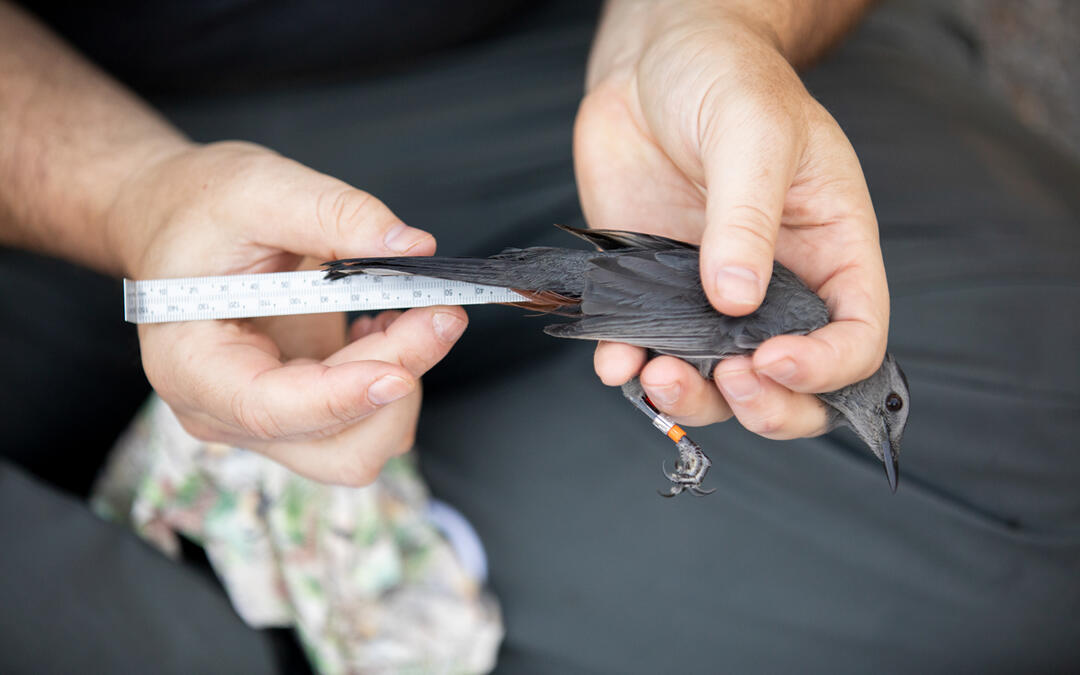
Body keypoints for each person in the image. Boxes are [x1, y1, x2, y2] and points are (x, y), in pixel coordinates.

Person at [1, 0, 1078, 672]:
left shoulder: (812, 326)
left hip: (571, 66)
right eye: (888, 414)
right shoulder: (789, 320)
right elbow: (644, 305)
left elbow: (658, 306)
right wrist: (127, 196)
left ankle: (374, 563)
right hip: (63, 157)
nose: (881, 417)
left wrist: (712, 24)